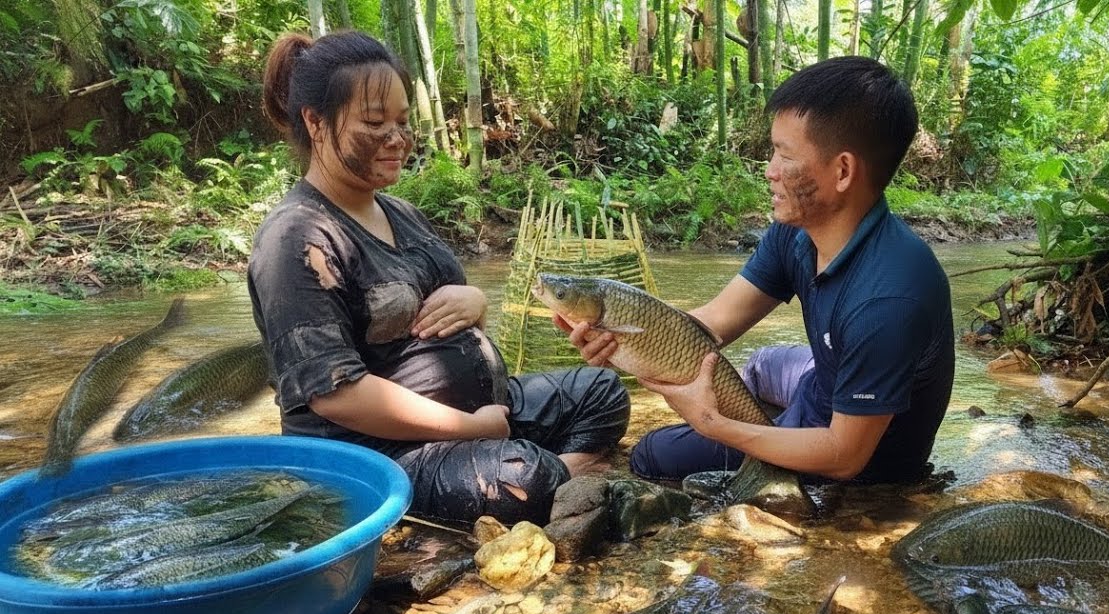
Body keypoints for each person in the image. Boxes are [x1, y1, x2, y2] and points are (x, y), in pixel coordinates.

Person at [248, 30, 629, 524]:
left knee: (601, 391)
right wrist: (470, 428)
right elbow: (336, 395)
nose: (397, 138)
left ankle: (558, 480)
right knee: (520, 478)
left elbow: (454, 328)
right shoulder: (297, 237)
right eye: (374, 121)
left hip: (482, 415)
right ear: (315, 123)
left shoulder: (401, 212)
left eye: (403, 121)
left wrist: (477, 302)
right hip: (376, 452)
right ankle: (554, 482)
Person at [557, 56, 954, 486]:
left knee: (653, 455)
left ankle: (763, 435)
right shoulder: (799, 232)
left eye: (784, 155)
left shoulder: (887, 300)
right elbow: (711, 325)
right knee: (762, 364)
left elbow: (844, 456)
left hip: (856, 456)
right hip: (822, 382)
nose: (769, 171)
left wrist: (714, 422)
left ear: (842, 171)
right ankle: (763, 420)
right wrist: (622, 338)